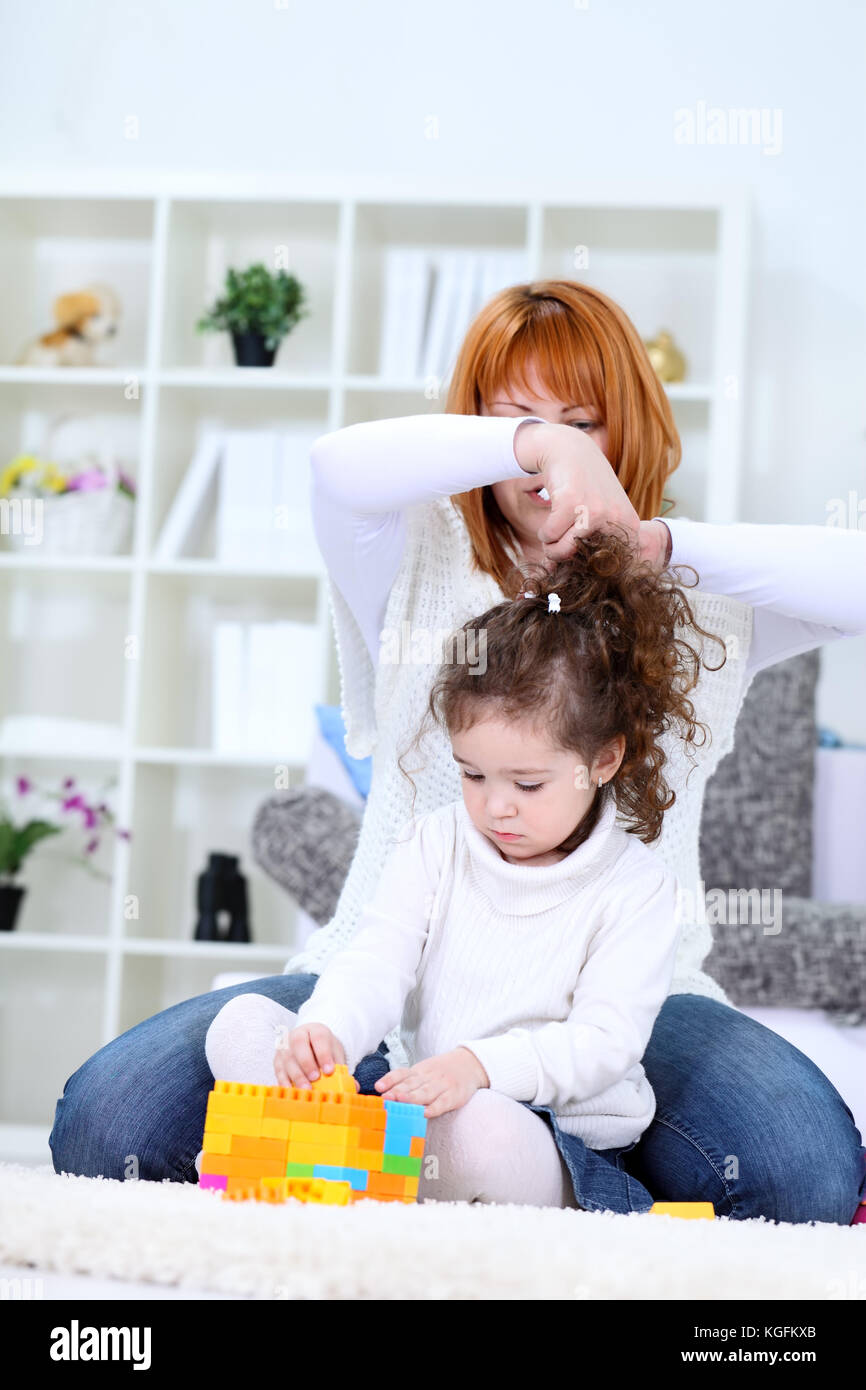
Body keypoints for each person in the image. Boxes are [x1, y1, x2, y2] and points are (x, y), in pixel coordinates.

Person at [49, 280, 866, 1223]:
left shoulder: (699, 599)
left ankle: (515, 1166)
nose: (549, 457)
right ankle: (439, 1152)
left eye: (583, 422)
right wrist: (546, 442)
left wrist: (660, 546)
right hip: (387, 980)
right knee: (103, 1127)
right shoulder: (409, 551)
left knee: (801, 1173)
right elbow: (337, 465)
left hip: (633, 1005)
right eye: (514, 421)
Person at [203, 533, 710, 1209]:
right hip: (428, 1098)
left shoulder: (638, 888)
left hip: (545, 1126)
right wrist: (327, 1031)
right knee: (238, 1023)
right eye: (473, 775)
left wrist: (480, 1067)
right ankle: (343, 1161)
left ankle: (334, 1163)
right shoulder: (433, 843)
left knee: (479, 1133)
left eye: (527, 785)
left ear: (605, 761)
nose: (495, 806)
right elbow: (379, 961)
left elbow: (603, 1043)